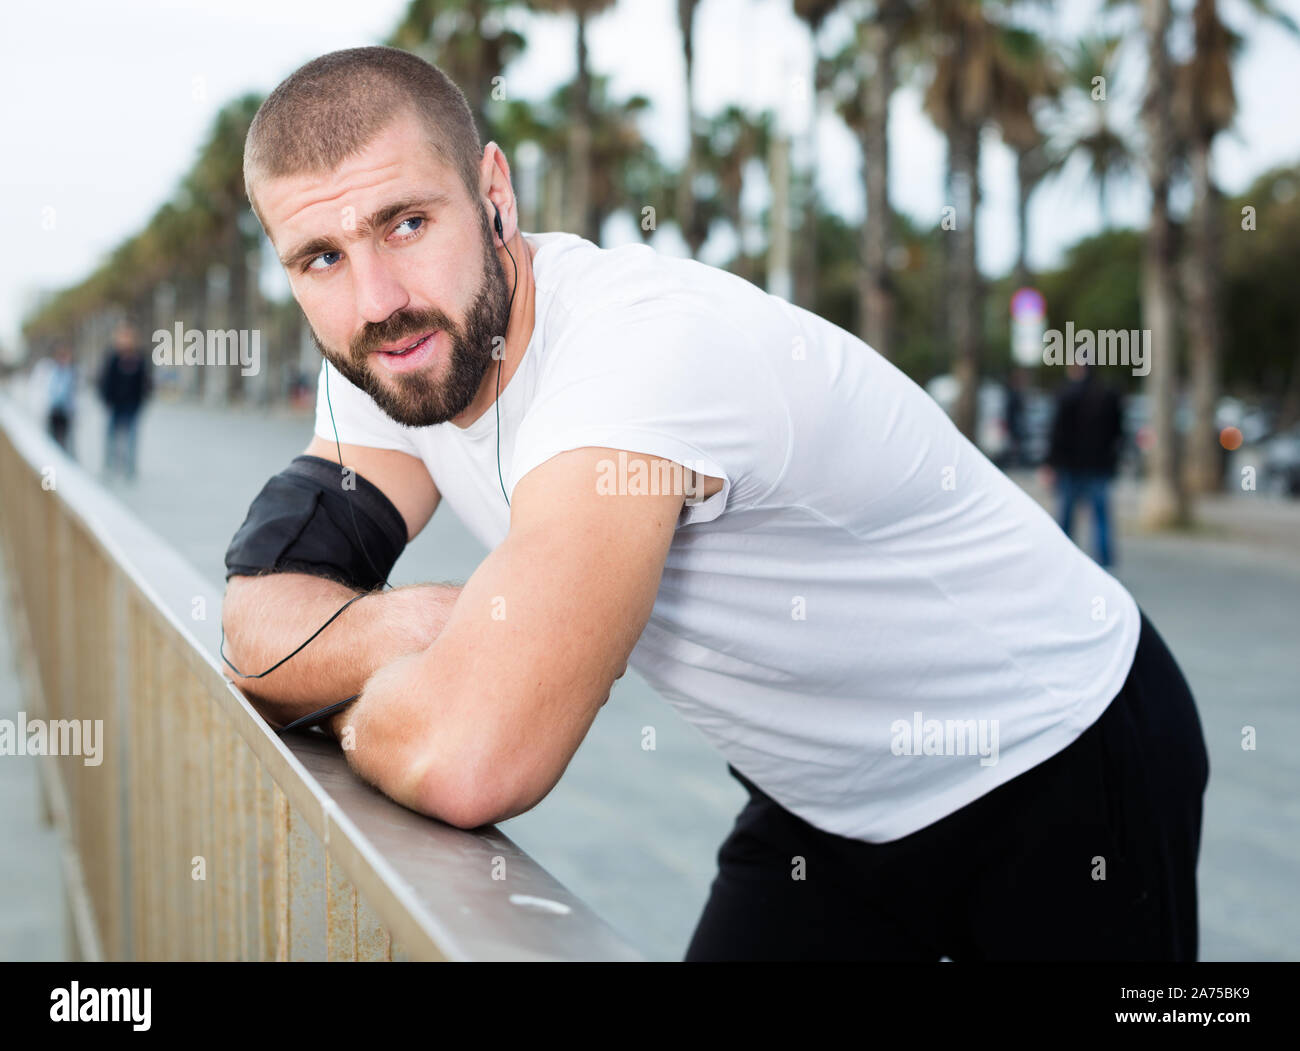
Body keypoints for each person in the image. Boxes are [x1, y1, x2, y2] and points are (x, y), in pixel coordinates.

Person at [221, 47, 1209, 962]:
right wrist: (412, 628)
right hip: (820, 803)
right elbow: (259, 613)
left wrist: (342, 697)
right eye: (321, 257)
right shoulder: (388, 358)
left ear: (492, 193)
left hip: (1060, 756)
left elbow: (473, 756)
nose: (376, 296)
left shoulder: (629, 364)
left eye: (406, 223)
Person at [1044, 364, 1125, 568]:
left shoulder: (1066, 394)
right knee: (1100, 517)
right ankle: (1104, 561)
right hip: (1099, 465)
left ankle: (1063, 559)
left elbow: (1057, 433)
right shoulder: (1108, 394)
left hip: (1071, 466)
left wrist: (1051, 462)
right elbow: (1118, 432)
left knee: (1066, 517)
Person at [97, 320, 153, 479]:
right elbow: (105, 380)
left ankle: (129, 468)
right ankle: (110, 465)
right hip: (114, 404)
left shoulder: (139, 357)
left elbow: (145, 381)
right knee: (111, 436)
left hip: (133, 404)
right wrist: (106, 399)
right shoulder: (113, 357)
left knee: (131, 437)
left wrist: (144, 399)